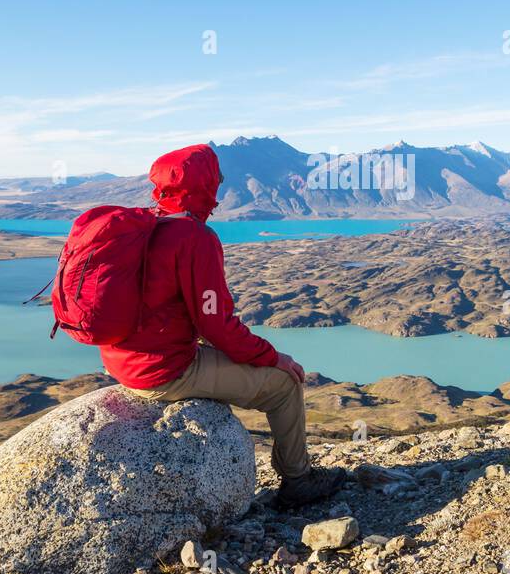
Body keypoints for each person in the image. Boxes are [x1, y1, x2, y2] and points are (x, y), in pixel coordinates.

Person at [99, 143, 347, 508]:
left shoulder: (142, 226)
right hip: (163, 370)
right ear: (207, 186)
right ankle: (298, 481)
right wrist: (272, 357)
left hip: (122, 362)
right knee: (284, 385)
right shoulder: (195, 238)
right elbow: (215, 324)